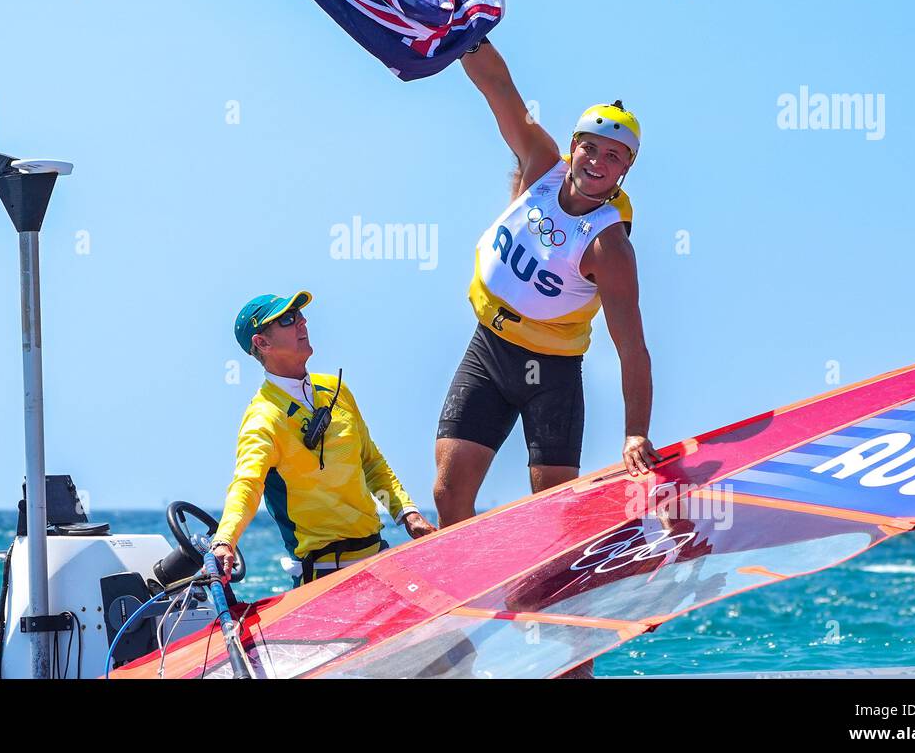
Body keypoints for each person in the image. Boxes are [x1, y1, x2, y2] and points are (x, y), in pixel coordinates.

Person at [433, 40, 662, 529]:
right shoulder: (540, 163)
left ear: (626, 169)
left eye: (614, 157)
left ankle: (551, 601)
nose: (597, 162)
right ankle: (469, 600)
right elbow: (497, 86)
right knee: (449, 492)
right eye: (590, 147)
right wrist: (465, 34)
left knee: (554, 509)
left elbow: (633, 349)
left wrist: (635, 433)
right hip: (488, 350)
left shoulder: (610, 249)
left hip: (550, 372)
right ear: (573, 145)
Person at [211, 290, 436, 585]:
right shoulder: (263, 418)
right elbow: (247, 485)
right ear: (262, 343)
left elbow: (370, 463)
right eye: (288, 319)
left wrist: (407, 514)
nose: (302, 322)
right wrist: (225, 540)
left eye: (300, 315)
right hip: (323, 577)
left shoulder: (336, 390)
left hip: (379, 560)